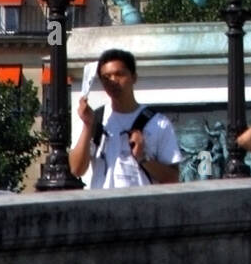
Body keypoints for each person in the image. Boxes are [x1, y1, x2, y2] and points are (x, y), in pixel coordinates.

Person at [68, 48, 182, 187]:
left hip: (142, 206)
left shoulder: (158, 123)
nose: (113, 81)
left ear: (134, 77)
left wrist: (143, 157)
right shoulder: (95, 119)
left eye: (119, 74)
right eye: (106, 77)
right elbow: (76, 169)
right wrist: (87, 125)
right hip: (102, 206)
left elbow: (173, 178)